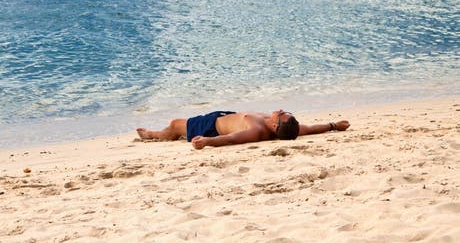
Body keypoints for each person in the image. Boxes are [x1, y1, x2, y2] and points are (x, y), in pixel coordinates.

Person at [137, 109, 350, 150]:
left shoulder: (256, 130)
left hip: (211, 127)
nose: (280, 110)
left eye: (281, 115)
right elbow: (311, 128)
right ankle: (160, 133)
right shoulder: (290, 129)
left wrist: (207, 141)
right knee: (177, 125)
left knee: (175, 125)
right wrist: (333, 126)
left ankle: (153, 135)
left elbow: (232, 139)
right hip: (223, 115)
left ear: (275, 125)